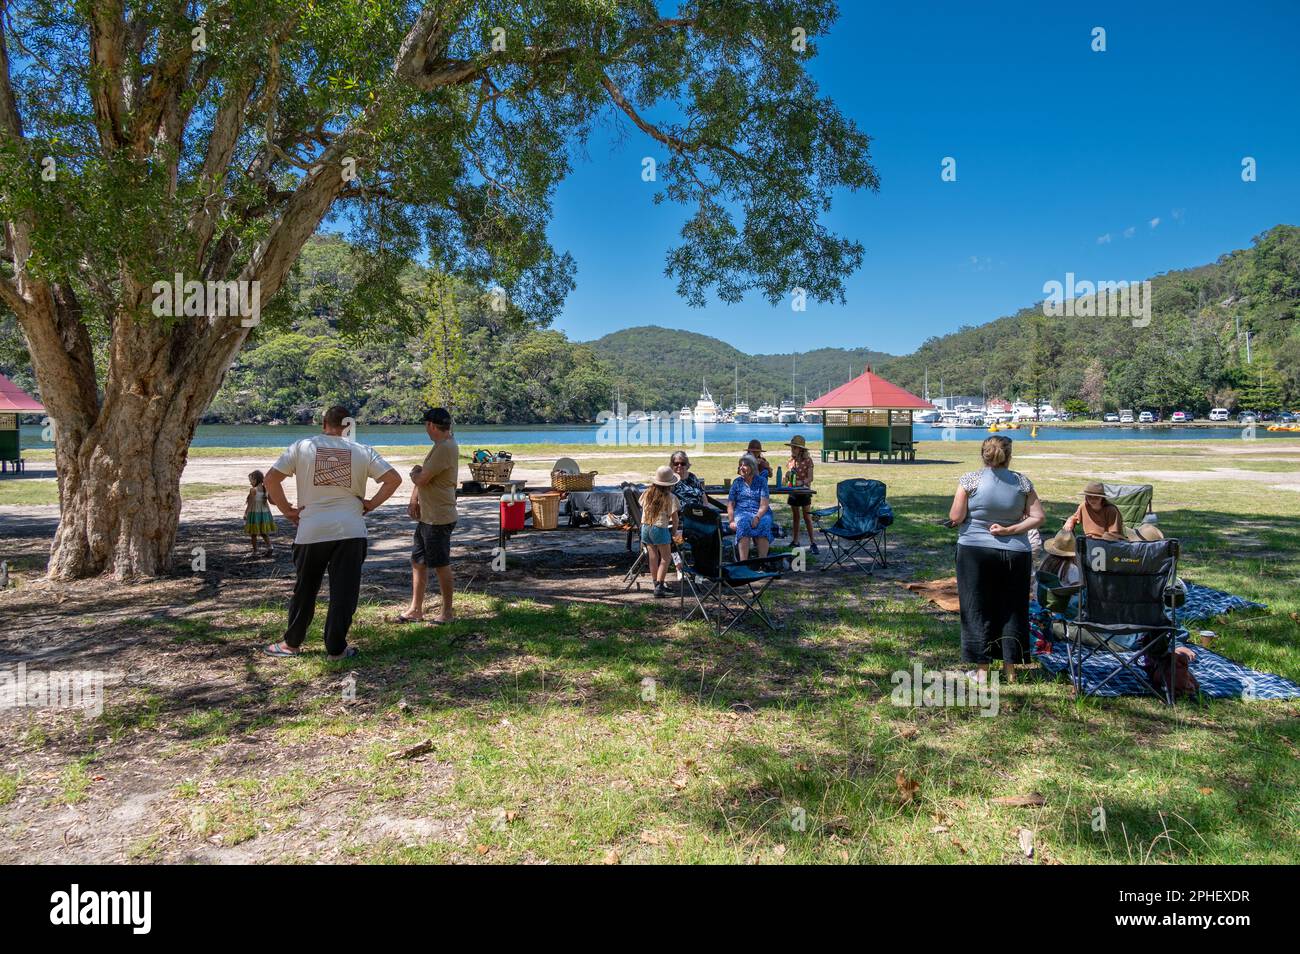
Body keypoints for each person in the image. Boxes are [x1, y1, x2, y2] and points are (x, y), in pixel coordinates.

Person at [262, 406, 401, 659]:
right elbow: (394, 479)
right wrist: (370, 504)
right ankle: (336, 648)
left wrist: (288, 511)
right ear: (349, 426)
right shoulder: (363, 450)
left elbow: (270, 479)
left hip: (312, 529)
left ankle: (291, 644)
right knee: (344, 592)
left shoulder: (302, 446)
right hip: (351, 529)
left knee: (305, 588)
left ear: (323, 423)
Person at [947, 435, 1045, 680]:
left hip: (974, 550)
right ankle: (1011, 669)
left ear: (984, 455)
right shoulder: (1023, 482)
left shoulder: (969, 480)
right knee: (1013, 608)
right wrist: (1010, 530)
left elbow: (956, 516)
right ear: (1009, 456)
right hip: (1016, 552)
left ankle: (982, 670)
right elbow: (1038, 517)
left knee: (977, 607)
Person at [398, 407, 460, 624]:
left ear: (431, 426)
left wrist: (413, 474)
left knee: (441, 564)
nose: (426, 429)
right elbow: (425, 478)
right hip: (428, 516)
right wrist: (414, 499)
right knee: (418, 561)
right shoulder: (439, 446)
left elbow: (422, 478)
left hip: (439, 517)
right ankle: (416, 609)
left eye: (426, 425)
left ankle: (447, 613)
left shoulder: (444, 448)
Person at [639, 465, 682, 598]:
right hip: (660, 528)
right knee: (666, 557)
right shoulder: (671, 497)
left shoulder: (647, 493)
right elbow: (675, 520)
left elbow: (642, 507)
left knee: (653, 557)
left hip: (645, 527)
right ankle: (660, 586)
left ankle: (655, 583)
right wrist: (674, 533)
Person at [728, 453, 773, 560]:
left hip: (760, 512)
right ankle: (744, 563)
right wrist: (731, 521)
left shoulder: (761, 481)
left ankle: (762, 561)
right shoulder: (737, 482)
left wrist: (757, 517)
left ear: (752, 467)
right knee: (743, 524)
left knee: (764, 523)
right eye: (740, 465)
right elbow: (730, 504)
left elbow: (764, 504)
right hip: (742, 512)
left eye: (744, 465)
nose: (741, 468)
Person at [785, 435, 818, 553]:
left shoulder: (808, 461)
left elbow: (811, 478)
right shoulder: (790, 461)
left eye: (795, 448)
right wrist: (786, 477)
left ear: (801, 449)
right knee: (795, 517)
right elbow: (787, 477)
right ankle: (795, 541)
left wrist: (801, 482)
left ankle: (813, 543)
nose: (792, 450)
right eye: (792, 448)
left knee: (807, 516)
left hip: (804, 491)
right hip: (793, 492)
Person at [1036, 528, 1081, 615]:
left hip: (1044, 602)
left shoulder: (1045, 562)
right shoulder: (1071, 568)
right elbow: (1077, 588)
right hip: (1062, 607)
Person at [244, 470, 275, 557]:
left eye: (251, 480)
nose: (250, 482)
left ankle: (255, 552)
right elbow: (272, 501)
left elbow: (250, 503)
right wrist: (284, 504)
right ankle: (270, 547)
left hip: (255, 513)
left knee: (253, 533)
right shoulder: (266, 489)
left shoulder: (253, 490)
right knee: (263, 532)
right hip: (265, 513)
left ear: (256, 479)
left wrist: (246, 513)